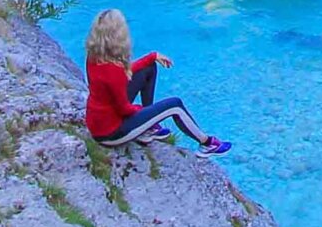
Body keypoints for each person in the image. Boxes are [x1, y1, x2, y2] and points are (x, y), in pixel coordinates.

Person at [83, 8, 230, 155]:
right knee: (175, 105)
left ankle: (150, 126)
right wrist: (141, 110)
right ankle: (207, 144)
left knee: (149, 67)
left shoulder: (94, 56)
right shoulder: (113, 70)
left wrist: (152, 57)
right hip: (111, 133)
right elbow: (124, 109)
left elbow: (119, 75)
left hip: (98, 122)